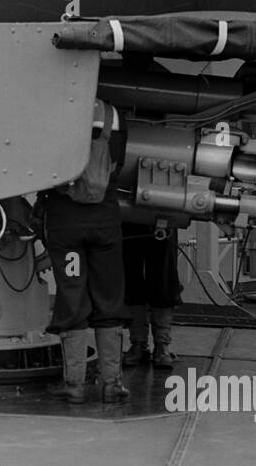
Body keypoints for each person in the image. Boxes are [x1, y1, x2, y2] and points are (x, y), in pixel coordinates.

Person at [38, 100, 129, 403]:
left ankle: (74, 384)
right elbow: (120, 161)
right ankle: (112, 382)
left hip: (67, 228)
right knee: (109, 297)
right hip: (105, 225)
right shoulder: (113, 114)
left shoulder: (54, 110)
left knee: (73, 295)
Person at [121, 223, 181, 370]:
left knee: (164, 280)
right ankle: (138, 343)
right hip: (130, 217)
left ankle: (161, 344)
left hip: (164, 211)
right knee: (131, 279)